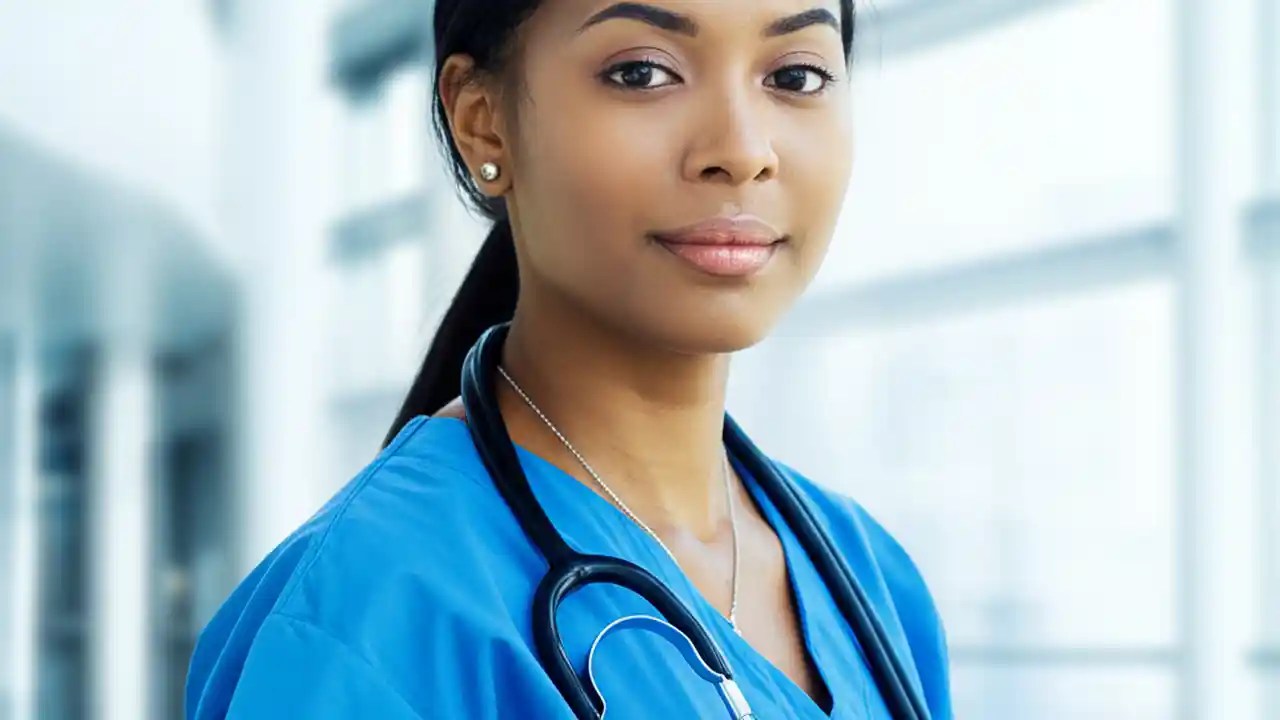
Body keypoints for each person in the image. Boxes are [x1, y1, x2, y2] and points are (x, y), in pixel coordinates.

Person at [185, 1, 953, 717]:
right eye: (642, 73)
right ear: (482, 122)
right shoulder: (367, 612)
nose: (742, 152)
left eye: (795, 77)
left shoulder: (871, 579)